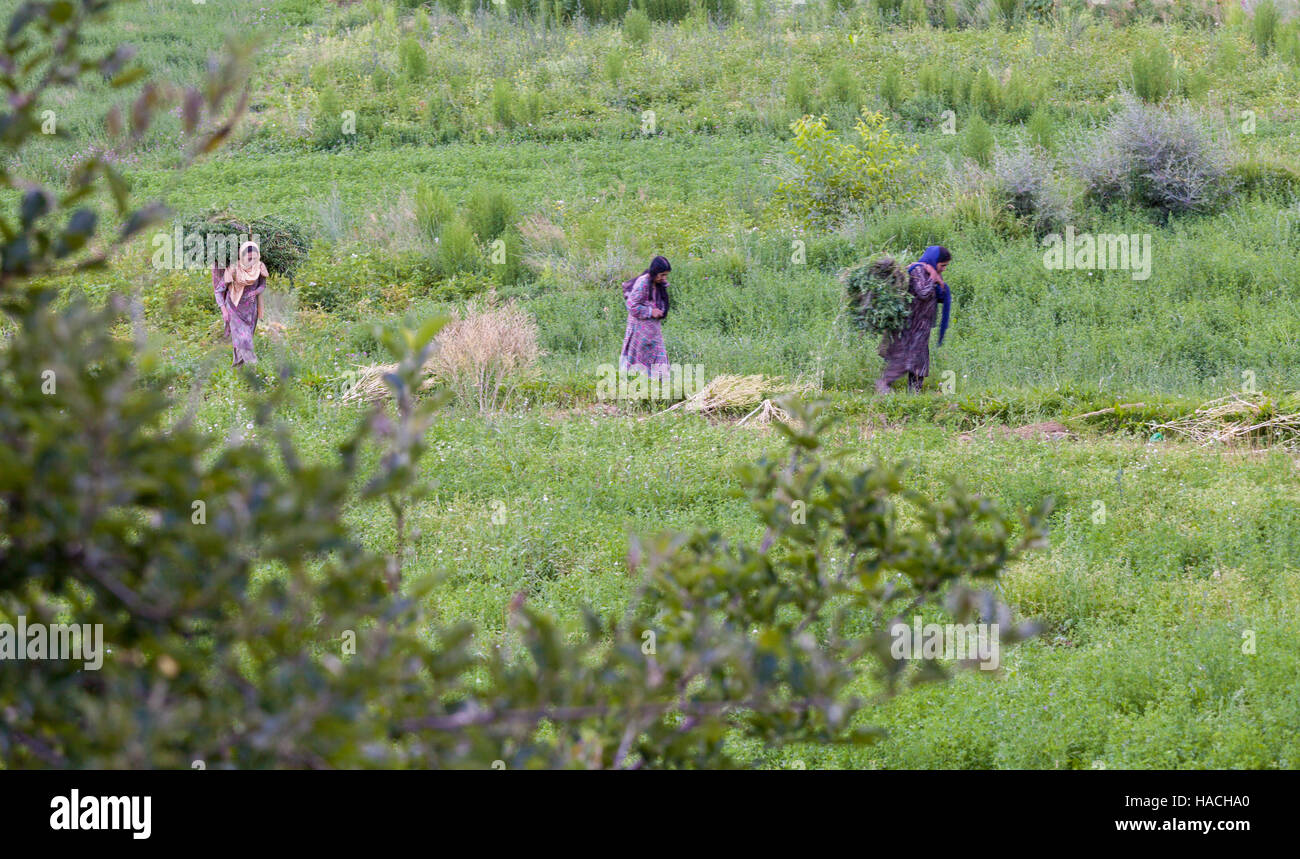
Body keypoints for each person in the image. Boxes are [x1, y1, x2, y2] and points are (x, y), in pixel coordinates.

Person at [875, 245, 951, 394]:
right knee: (905, 359)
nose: (944, 269)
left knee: (919, 362)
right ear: (935, 261)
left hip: (922, 328)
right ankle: (883, 385)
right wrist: (933, 279)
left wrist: (940, 284)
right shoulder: (917, 270)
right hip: (910, 326)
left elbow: (937, 296)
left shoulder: (930, 272)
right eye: (943, 265)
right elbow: (923, 292)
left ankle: (914, 394)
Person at [213, 240, 268, 367]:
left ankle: (238, 367)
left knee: (243, 339)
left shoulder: (259, 268)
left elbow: (262, 285)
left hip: (251, 311)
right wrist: (224, 311)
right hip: (234, 309)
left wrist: (255, 292)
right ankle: (254, 367)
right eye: (248, 258)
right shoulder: (233, 269)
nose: (251, 261)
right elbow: (218, 291)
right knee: (244, 340)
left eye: (254, 258)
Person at [620, 255, 672, 381]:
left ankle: (660, 389)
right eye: (662, 275)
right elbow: (632, 306)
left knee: (659, 360)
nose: (664, 278)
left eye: (666, 275)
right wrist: (650, 312)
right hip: (640, 332)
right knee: (639, 363)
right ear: (655, 272)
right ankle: (639, 389)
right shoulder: (643, 283)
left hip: (653, 332)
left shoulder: (658, 283)